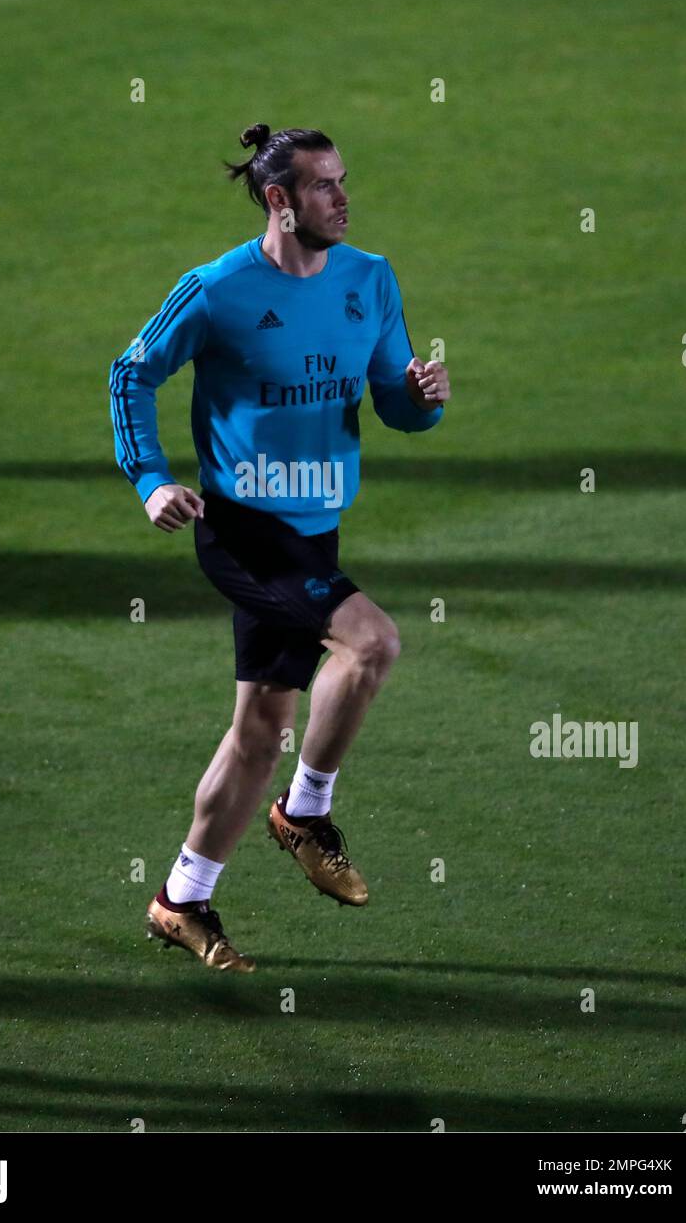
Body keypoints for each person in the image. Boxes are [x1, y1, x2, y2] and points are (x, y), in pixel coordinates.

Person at [109, 123, 450, 972]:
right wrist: (152, 479)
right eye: (324, 186)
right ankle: (305, 814)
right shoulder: (217, 289)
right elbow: (132, 373)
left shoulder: (370, 281)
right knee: (371, 643)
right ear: (279, 200)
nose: (343, 198)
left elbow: (396, 406)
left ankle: (179, 900)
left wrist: (423, 399)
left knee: (261, 728)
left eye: (344, 181)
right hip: (244, 531)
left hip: (316, 526)